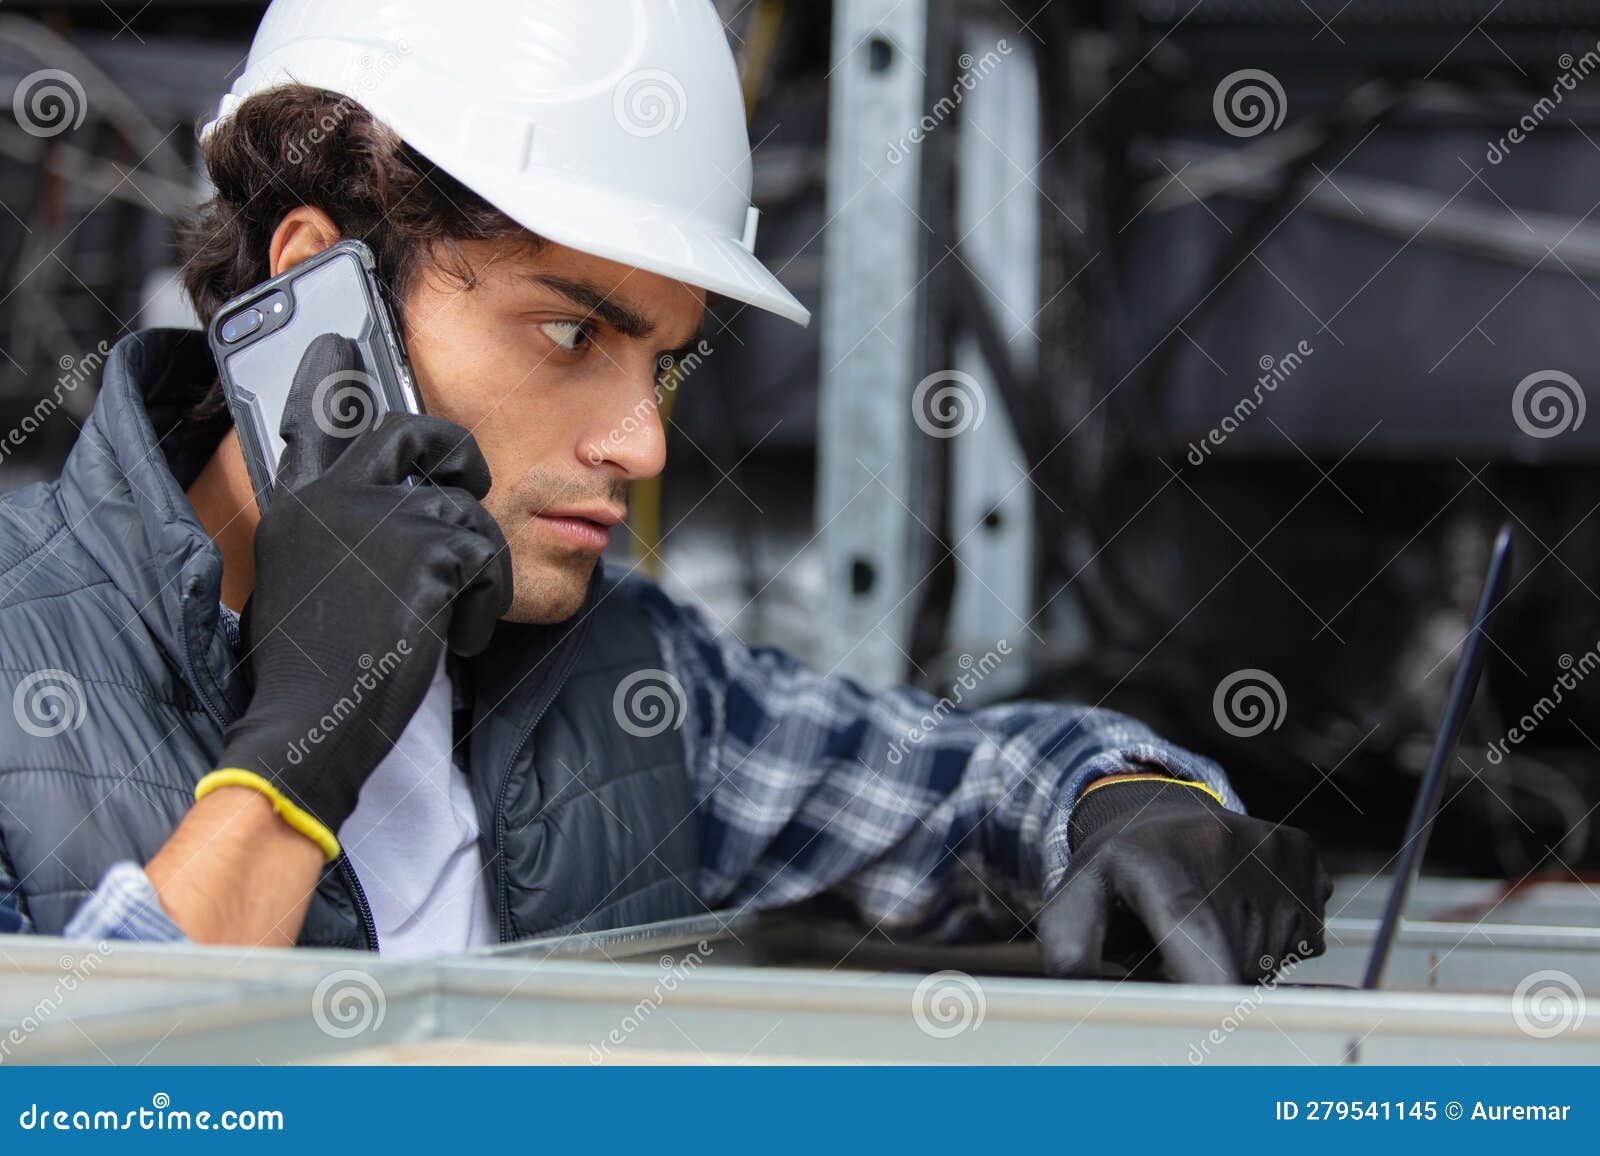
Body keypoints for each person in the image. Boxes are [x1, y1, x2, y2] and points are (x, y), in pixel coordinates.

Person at [0, 0, 1330, 983]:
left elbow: (975, 781)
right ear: (314, 290)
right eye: (573, 334)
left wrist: (1128, 804)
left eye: (663, 358)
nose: (642, 444)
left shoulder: (618, 683)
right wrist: (295, 753)